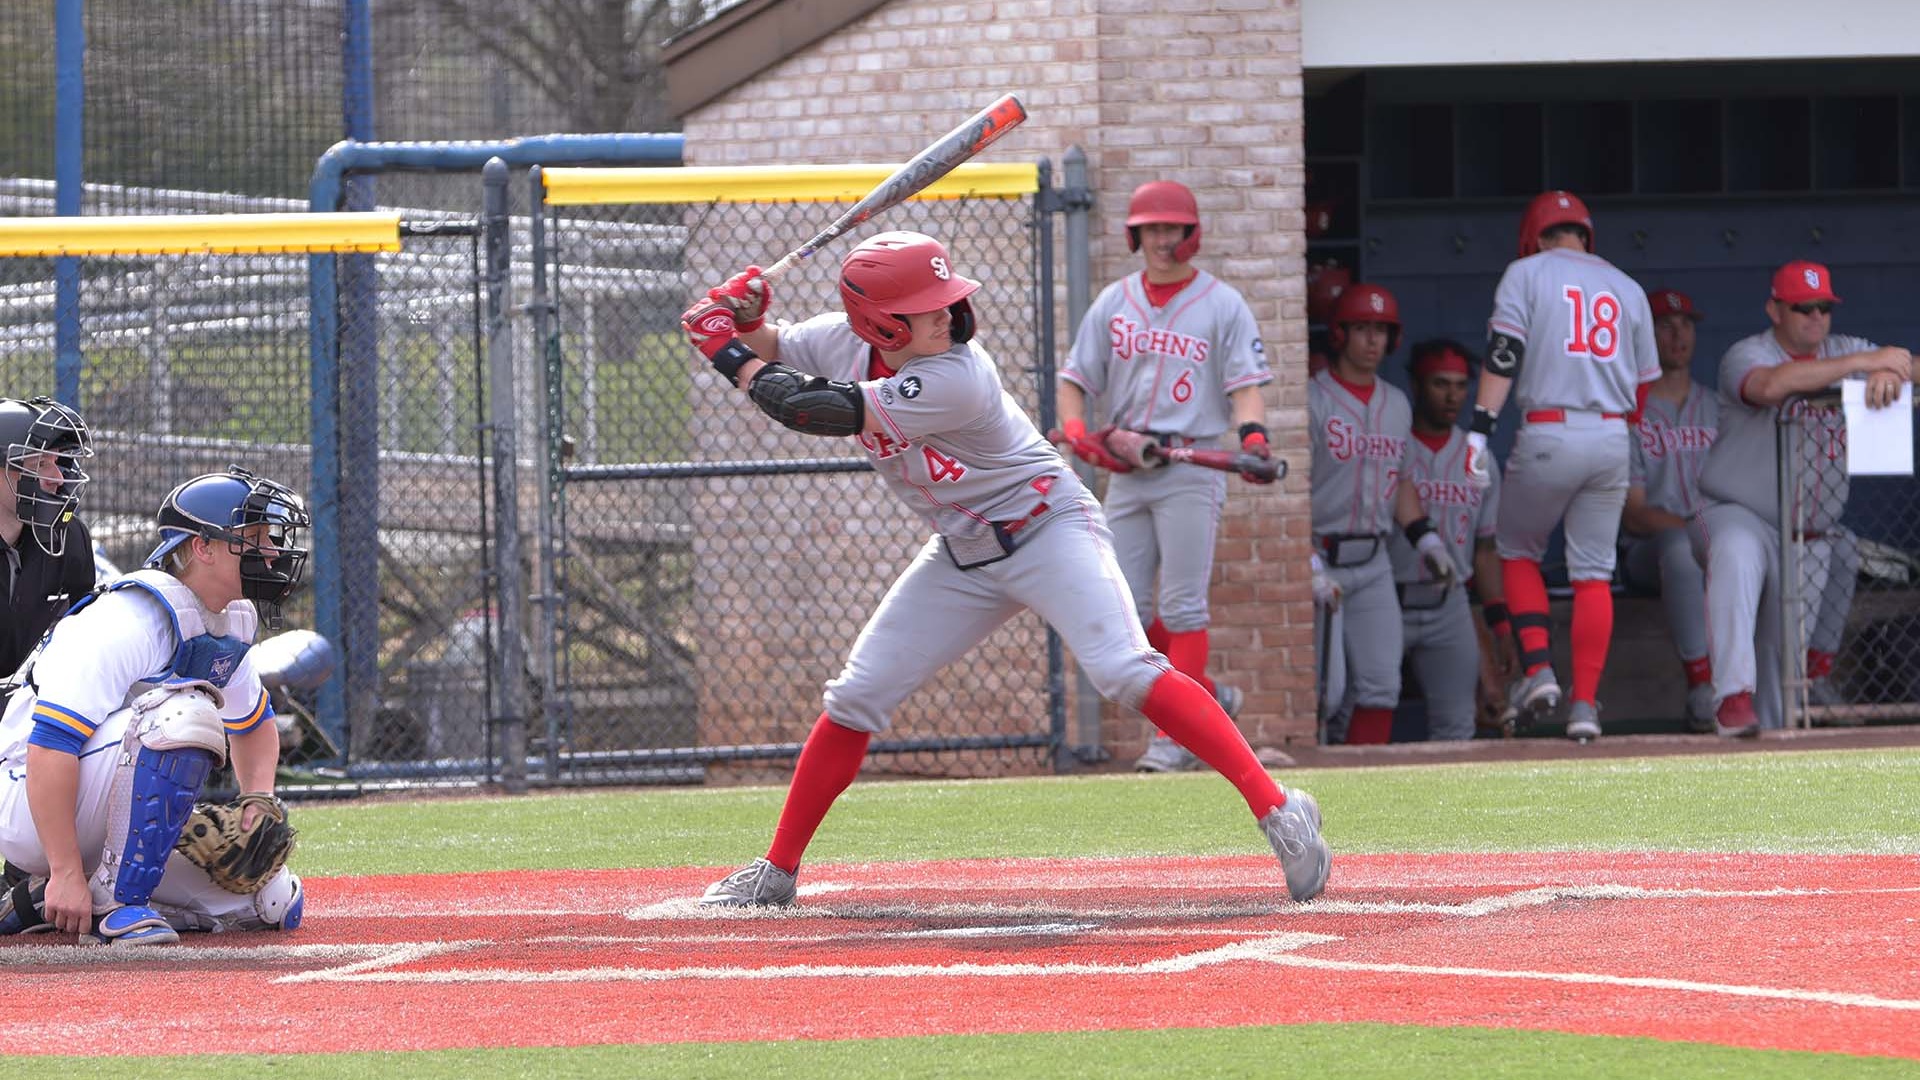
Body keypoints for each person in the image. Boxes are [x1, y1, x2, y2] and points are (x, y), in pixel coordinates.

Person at [678, 231, 1329, 905]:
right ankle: (777, 872)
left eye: (946, 299)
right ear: (874, 319)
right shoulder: (837, 339)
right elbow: (776, 350)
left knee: (1123, 668)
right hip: (964, 551)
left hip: (1049, 528)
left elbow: (807, 407)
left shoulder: (958, 376)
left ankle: (1282, 811)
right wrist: (746, 321)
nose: (946, 313)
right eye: (926, 305)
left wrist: (723, 347)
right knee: (856, 696)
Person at [0, 467, 310, 942]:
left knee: (271, 900)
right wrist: (64, 868)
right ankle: (109, 898)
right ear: (202, 547)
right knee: (185, 714)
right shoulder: (130, 617)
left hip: (89, 797)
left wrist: (259, 799)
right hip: (25, 795)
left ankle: (38, 900)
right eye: (252, 537)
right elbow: (51, 743)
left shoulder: (226, 621)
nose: (270, 551)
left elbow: (253, 721)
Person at [1056, 180, 1275, 772]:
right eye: (1151, 228)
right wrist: (1077, 432)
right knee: (1125, 608)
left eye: (1171, 228)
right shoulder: (1115, 300)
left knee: (1181, 609)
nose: (1161, 239)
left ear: (1190, 233)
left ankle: (1176, 740)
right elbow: (1076, 379)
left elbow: (1245, 388)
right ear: (1136, 235)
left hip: (1191, 465)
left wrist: (1254, 436)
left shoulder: (1222, 303)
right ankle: (1207, 697)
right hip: (1130, 468)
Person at [1465, 191, 1659, 742]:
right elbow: (1644, 385)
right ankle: (1584, 707)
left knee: (1517, 550)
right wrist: (1616, 432)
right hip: (1611, 434)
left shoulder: (1526, 273)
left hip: (1550, 429)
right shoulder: (1627, 285)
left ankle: (1538, 671)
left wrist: (1480, 427)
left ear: (1535, 233)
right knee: (1593, 572)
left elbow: (1504, 352)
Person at [1689, 261, 1912, 735]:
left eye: (1824, 308)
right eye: (1802, 307)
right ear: (1775, 309)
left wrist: (1892, 368)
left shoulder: (1844, 348)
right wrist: (1863, 365)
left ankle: (1769, 752)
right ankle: (1730, 696)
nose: (1815, 317)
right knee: (1735, 555)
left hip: (1808, 534)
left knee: (1782, 657)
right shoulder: (1745, 352)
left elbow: (1906, 362)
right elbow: (1769, 386)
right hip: (1736, 512)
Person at [1309, 284, 1456, 744]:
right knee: (1325, 695)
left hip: (1373, 561)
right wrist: (1307, 562)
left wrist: (1426, 539)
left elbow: (1403, 480)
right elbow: (1292, 492)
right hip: (1320, 553)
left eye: (1381, 331)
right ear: (1340, 333)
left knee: (1381, 684)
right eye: (1362, 329)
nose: (1373, 341)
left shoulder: (1396, 403)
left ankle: (1364, 779)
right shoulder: (1314, 399)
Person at [1390, 340, 1512, 741]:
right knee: (1365, 698)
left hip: (1450, 603)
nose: (1452, 395)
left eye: (1461, 386)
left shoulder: (1479, 457)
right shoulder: (1395, 446)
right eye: (1440, 384)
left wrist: (1499, 624)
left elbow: (1486, 550)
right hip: (1390, 596)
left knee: (1458, 724)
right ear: (1416, 384)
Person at [1617, 288, 1719, 732]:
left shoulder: (1716, 407)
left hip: (1712, 541)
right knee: (1679, 547)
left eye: (1686, 324)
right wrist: (1700, 532)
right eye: (1665, 325)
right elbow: (1633, 513)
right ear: (1645, 335)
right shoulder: (1628, 414)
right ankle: (1701, 687)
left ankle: (1799, 679)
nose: (1678, 334)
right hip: (1646, 552)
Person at [0, 396, 96, 679]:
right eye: (41, 464)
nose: (58, 478)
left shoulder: (68, 536)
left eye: (58, 462)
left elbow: (86, 637)